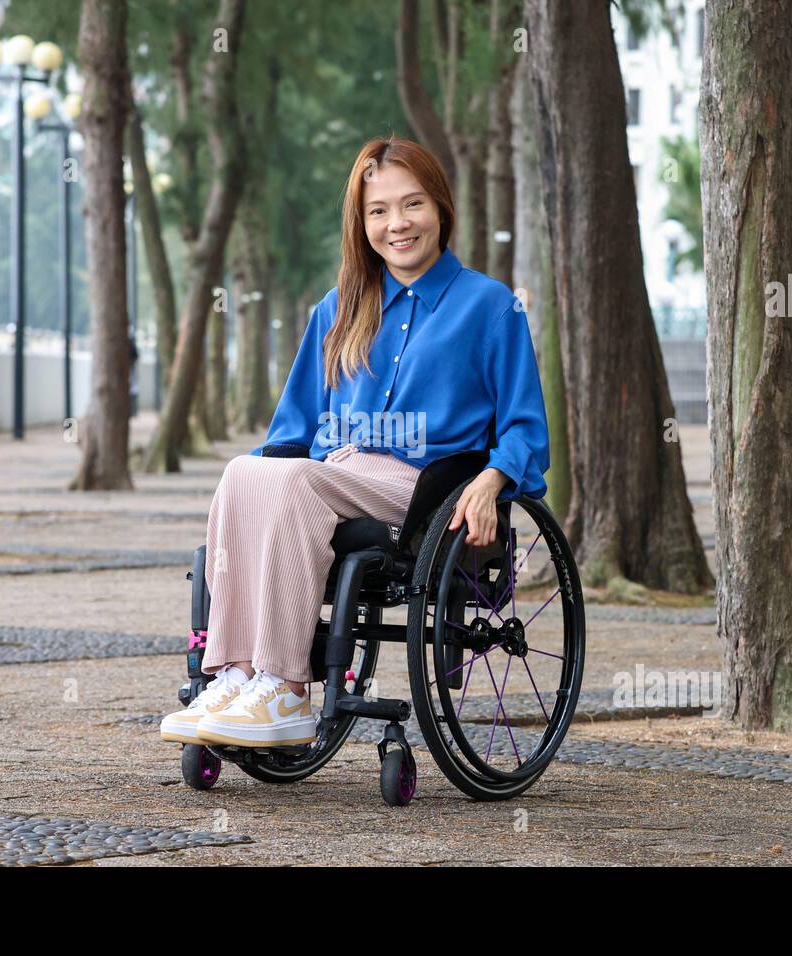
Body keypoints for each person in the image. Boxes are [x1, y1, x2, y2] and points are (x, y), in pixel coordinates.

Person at [160, 135, 550, 749]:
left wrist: (492, 481)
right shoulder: (338, 308)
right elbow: (291, 433)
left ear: (441, 208)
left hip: (425, 489)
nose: (397, 223)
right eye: (378, 210)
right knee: (243, 471)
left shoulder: (490, 307)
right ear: (360, 220)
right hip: (331, 479)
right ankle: (234, 674)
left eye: (412, 204)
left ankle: (285, 687)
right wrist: (258, 495)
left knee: (293, 479)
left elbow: (526, 425)